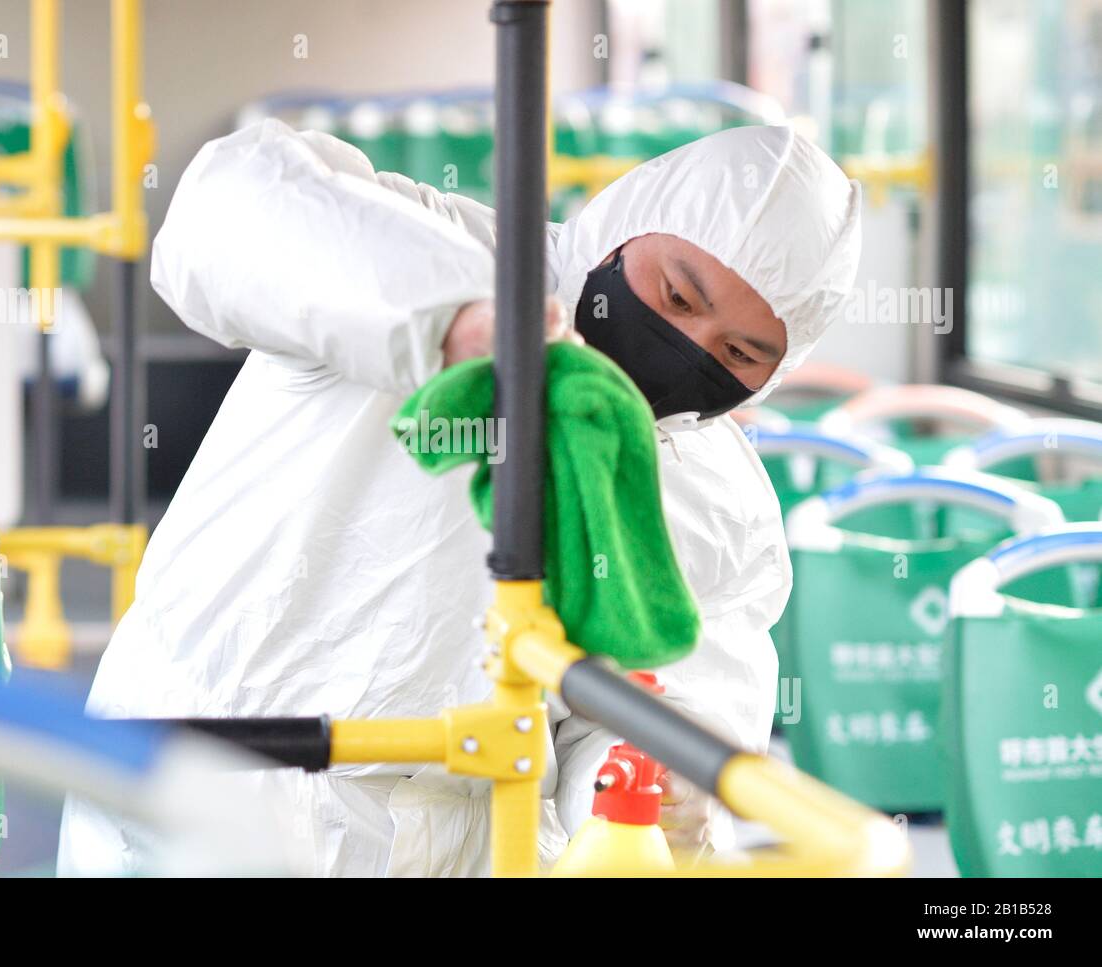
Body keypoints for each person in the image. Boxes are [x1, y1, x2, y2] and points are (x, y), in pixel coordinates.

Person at [57, 120, 862, 877]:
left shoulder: (719, 503)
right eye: (678, 296)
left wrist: (652, 792)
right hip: (212, 780)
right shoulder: (446, 254)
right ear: (630, 221)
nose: (688, 348)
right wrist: (466, 324)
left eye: (739, 353)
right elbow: (224, 212)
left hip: (465, 839)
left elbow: (665, 699)